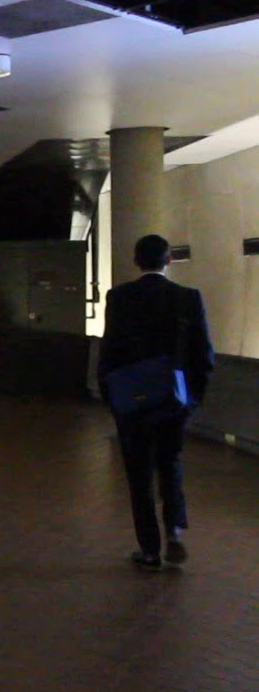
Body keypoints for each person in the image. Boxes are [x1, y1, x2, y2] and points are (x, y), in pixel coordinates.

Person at [98, 234, 214, 571]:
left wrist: (111, 396)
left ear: (136, 260)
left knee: (138, 474)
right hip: (173, 399)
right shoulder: (188, 298)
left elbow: (110, 351)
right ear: (169, 261)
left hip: (132, 400)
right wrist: (192, 399)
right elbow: (203, 354)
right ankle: (174, 529)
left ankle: (149, 550)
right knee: (170, 462)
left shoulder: (119, 297)